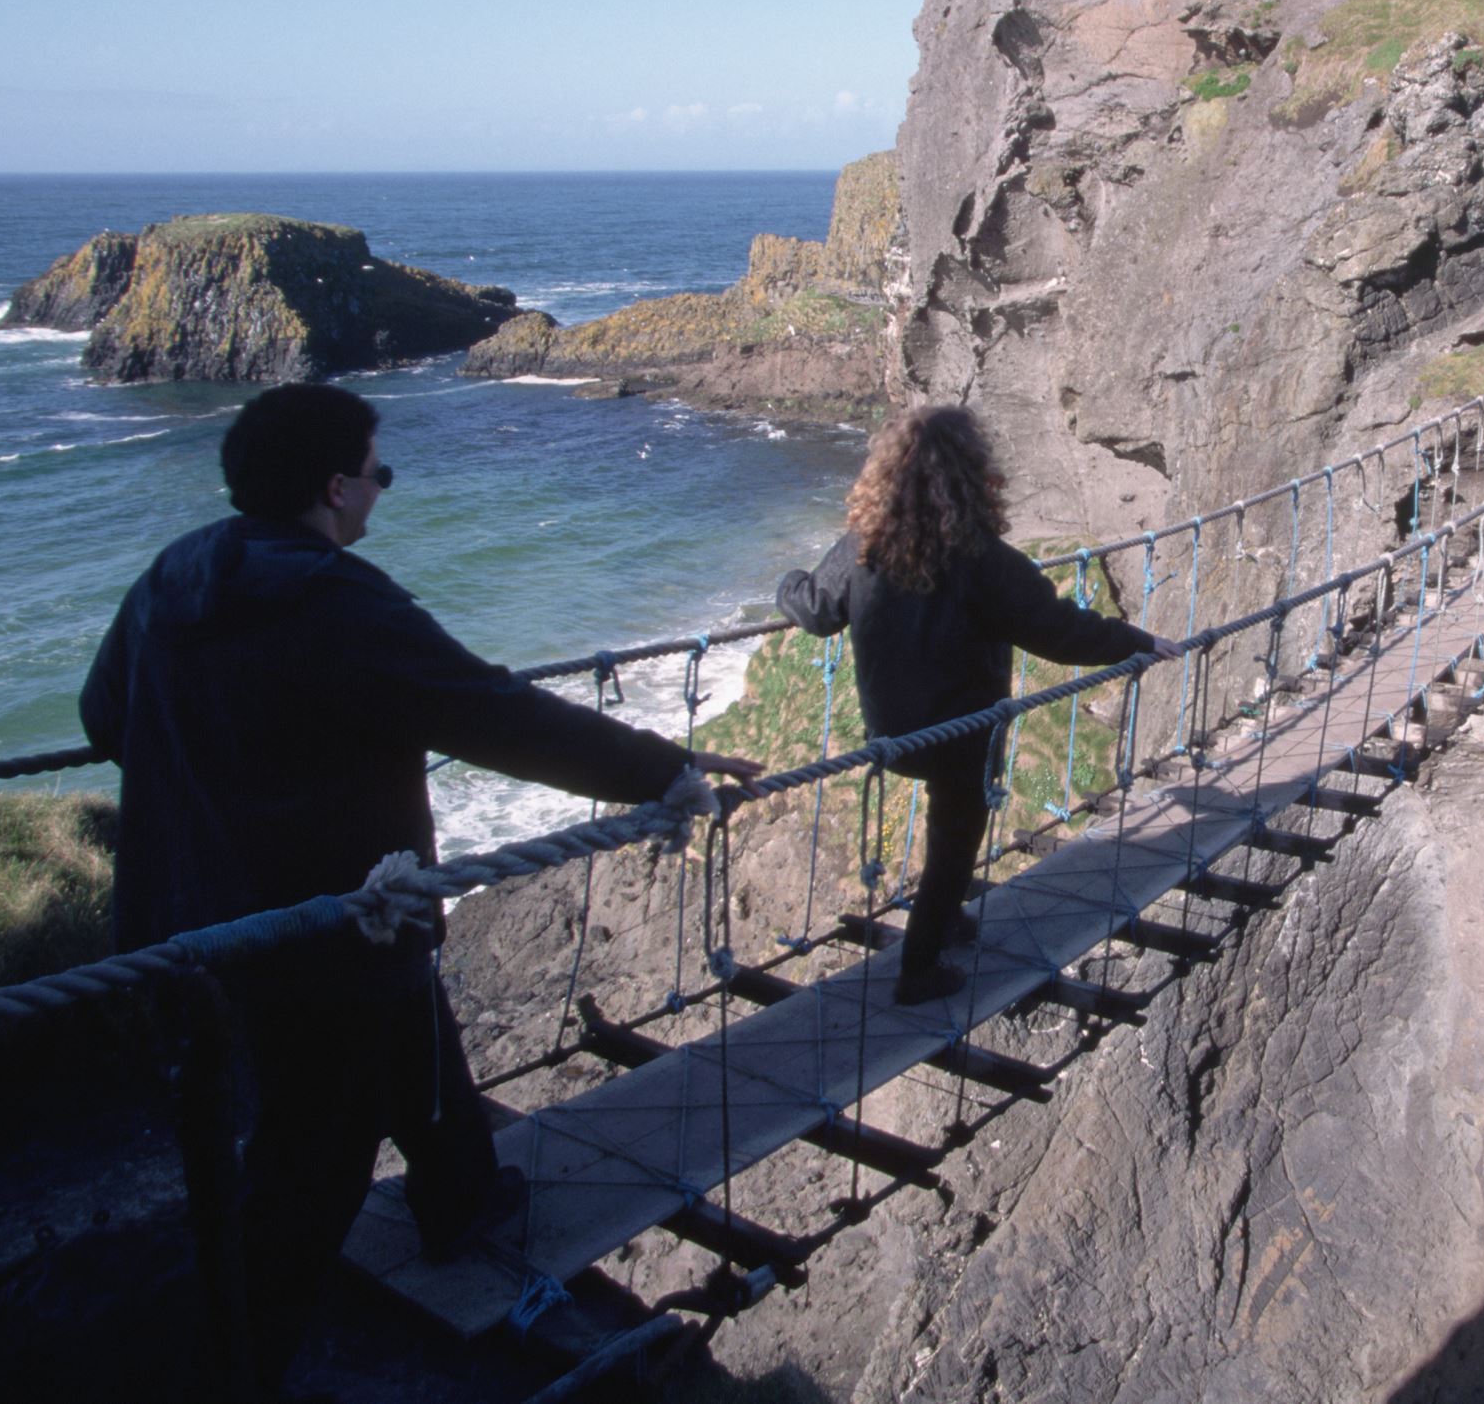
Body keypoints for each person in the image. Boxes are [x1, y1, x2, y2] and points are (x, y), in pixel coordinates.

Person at [81, 382, 762, 1395]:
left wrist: (231, 782)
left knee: (413, 1035)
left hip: (194, 922)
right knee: (311, 1164)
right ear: (336, 488)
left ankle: (459, 1199)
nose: (384, 493)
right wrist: (661, 772)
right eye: (380, 472)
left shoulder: (168, 580)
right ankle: (239, 1366)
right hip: (323, 933)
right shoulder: (334, 599)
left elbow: (104, 718)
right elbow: (490, 711)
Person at [777, 406, 1178, 1005]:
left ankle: (948, 919)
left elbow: (815, 610)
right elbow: (1057, 631)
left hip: (894, 732)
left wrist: (784, 582)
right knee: (954, 841)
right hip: (964, 731)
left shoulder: (865, 545)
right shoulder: (984, 560)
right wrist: (1139, 641)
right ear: (974, 477)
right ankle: (917, 973)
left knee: (950, 843)